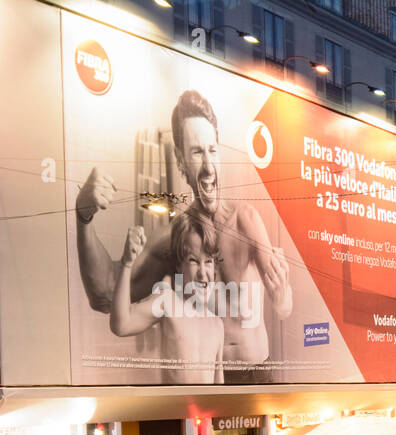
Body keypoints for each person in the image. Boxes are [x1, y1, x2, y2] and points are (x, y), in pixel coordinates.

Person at [76, 89, 293, 384]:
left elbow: (283, 306)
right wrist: (84, 218)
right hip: (204, 381)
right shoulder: (174, 237)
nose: (207, 167)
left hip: (254, 374)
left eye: (212, 150)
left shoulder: (245, 221)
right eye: (196, 152)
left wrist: (281, 298)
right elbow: (104, 295)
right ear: (180, 161)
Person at [110, 214, 225, 384]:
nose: (202, 272)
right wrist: (127, 263)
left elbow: (218, 383)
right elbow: (121, 325)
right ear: (179, 265)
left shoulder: (217, 324)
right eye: (193, 260)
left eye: (208, 261)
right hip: (175, 409)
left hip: (206, 409)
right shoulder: (168, 302)